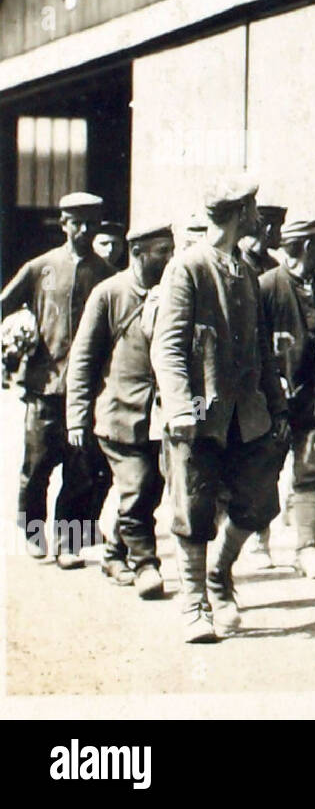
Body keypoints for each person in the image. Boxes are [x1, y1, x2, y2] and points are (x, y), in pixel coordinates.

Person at [152, 175, 290, 643]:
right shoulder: (187, 267)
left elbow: (263, 352)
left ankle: (219, 572)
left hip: (245, 414)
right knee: (193, 505)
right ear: (239, 212)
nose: (259, 215)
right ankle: (194, 603)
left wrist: (277, 407)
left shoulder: (245, 271)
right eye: (253, 207)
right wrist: (178, 409)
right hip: (196, 414)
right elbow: (167, 347)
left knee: (258, 503)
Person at [1, 192, 115, 566]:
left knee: (82, 469)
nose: (84, 230)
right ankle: (34, 531)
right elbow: (5, 304)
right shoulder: (41, 268)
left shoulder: (106, 276)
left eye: (91, 223)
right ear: (63, 224)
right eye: (76, 222)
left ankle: (70, 543)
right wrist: (15, 336)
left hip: (88, 390)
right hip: (44, 387)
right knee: (36, 466)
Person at [66, 222, 174, 598]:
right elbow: (82, 359)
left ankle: (114, 552)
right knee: (137, 484)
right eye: (162, 250)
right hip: (118, 416)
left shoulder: (174, 293)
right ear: (138, 251)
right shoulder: (108, 294)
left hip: (161, 419)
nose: (169, 257)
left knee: (151, 490)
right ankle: (147, 565)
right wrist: (77, 416)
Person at [260, 218, 315, 580]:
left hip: (314, 396)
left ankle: (306, 547)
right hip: (273, 400)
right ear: (306, 246)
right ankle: (259, 540)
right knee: (262, 472)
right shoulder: (267, 287)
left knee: (311, 469)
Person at [240, 203, 287, 568]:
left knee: (266, 461)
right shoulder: (234, 264)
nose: (277, 234)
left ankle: (260, 540)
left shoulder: (275, 270)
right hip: (235, 379)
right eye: (273, 226)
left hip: (266, 374)